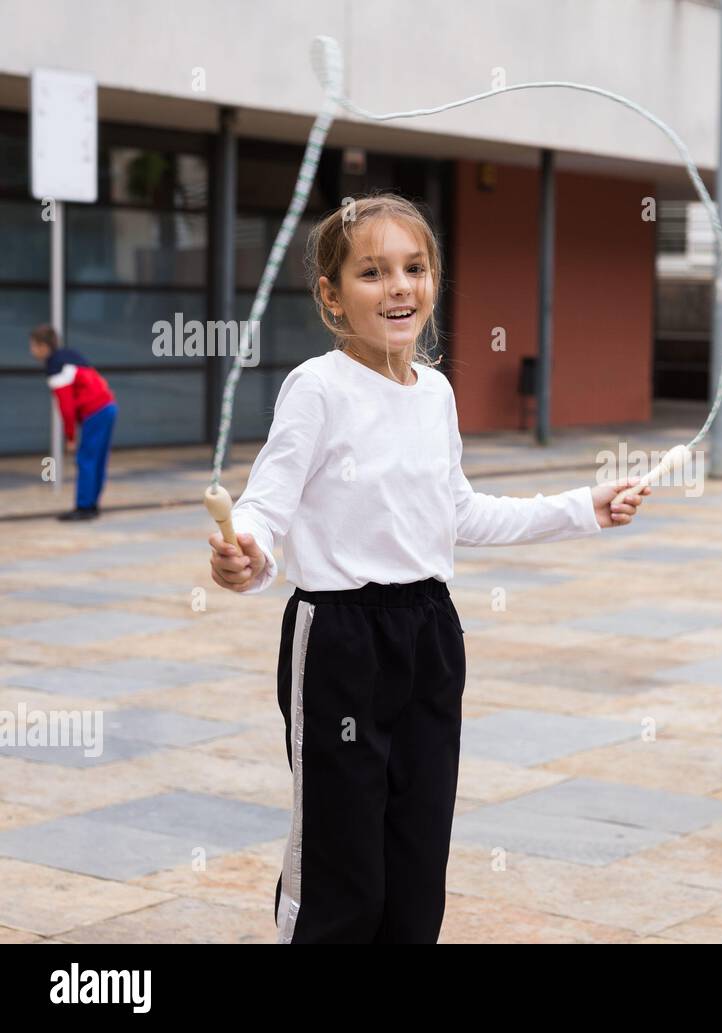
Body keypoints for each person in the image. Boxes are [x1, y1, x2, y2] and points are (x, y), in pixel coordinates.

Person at [207, 194, 648, 942]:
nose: (399, 286)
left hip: (431, 636)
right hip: (340, 641)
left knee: (417, 856)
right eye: (373, 272)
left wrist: (582, 507)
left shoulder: (437, 393)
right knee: (343, 862)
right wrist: (244, 553)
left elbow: (460, 513)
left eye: (415, 268)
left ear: (435, 280)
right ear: (332, 295)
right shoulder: (318, 388)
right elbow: (264, 509)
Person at [29, 324, 117, 521]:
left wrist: (70, 437)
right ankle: (93, 505)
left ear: (43, 346)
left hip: (95, 410)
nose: (32, 351)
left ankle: (84, 507)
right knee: (98, 459)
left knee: (86, 459)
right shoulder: (70, 355)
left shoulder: (55, 366)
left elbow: (66, 406)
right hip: (108, 406)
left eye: (33, 346)